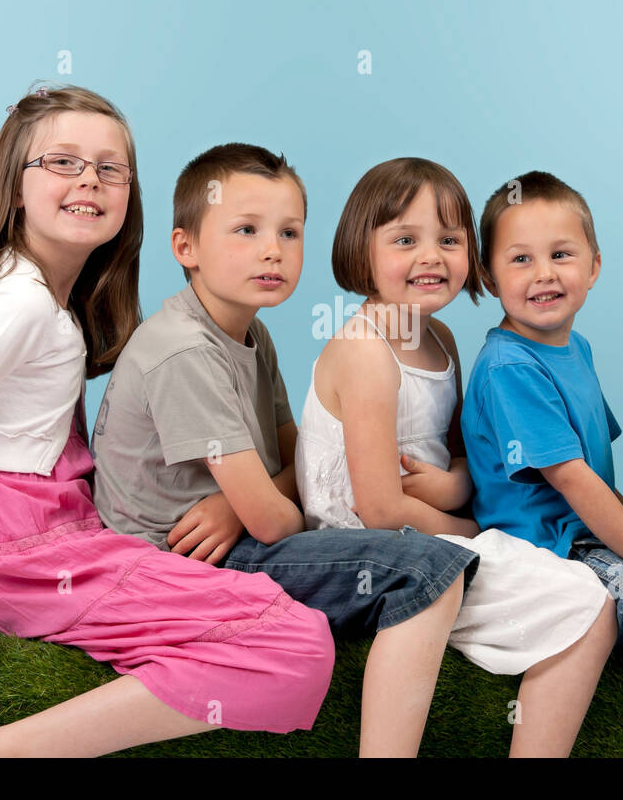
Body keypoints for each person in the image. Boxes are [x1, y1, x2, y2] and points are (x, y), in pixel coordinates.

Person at [0, 88, 333, 757]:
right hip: (24, 558)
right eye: (62, 162)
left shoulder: (43, 295)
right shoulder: (15, 303)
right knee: (293, 640)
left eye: (111, 168)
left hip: (47, 542)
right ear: (14, 187)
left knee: (258, 610)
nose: (89, 180)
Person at [90, 143, 478, 758]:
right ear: (184, 247)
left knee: (420, 557)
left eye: (289, 232)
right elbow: (275, 520)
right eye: (246, 230)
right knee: (424, 565)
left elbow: (292, 450)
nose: (273, 249)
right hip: (178, 564)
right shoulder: (184, 350)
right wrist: (252, 503)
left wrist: (236, 500)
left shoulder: (248, 330)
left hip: (228, 531)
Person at [294, 158, 618, 757]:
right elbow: (381, 509)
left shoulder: (440, 339)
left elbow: (465, 452)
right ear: (360, 253)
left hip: (431, 524)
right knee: (586, 602)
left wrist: (450, 487)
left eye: (449, 239)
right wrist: (470, 525)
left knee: (585, 595)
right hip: (369, 544)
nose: (431, 257)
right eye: (405, 240)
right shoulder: (366, 352)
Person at [462, 171, 623, 757]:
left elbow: (602, 468)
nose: (544, 273)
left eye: (560, 254)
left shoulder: (574, 348)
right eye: (520, 259)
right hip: (554, 549)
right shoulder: (511, 366)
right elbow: (575, 481)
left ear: (594, 266)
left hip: (592, 540)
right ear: (489, 274)